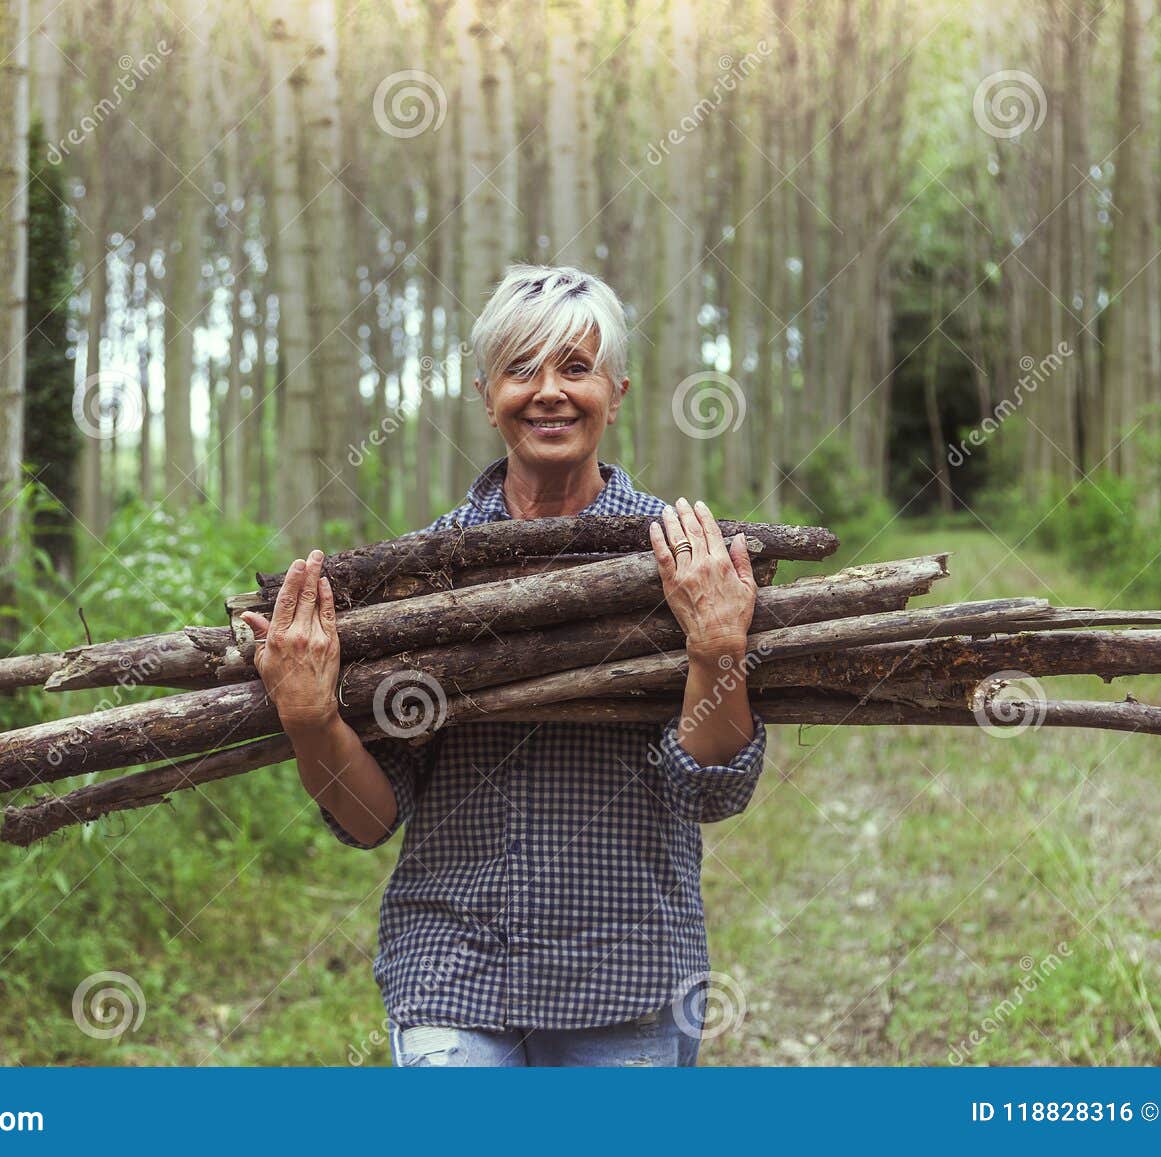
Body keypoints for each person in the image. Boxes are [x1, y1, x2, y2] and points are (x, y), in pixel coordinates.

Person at [241, 264, 767, 1066]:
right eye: (522, 369)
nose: (549, 391)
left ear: (617, 392)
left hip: (628, 977)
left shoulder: (682, 559)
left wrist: (717, 649)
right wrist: (311, 719)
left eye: (576, 368)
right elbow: (370, 817)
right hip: (451, 971)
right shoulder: (419, 577)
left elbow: (713, 787)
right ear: (487, 394)